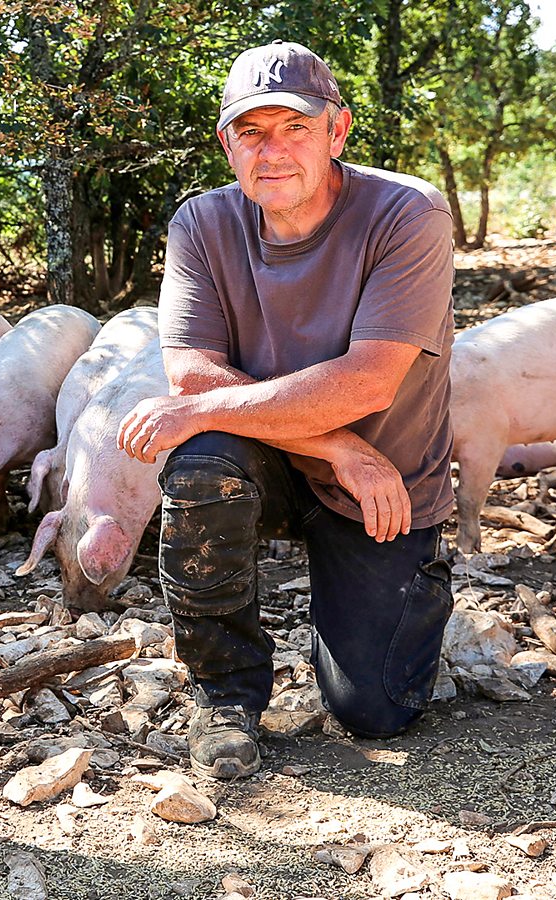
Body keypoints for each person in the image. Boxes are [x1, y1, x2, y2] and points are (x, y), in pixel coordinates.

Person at [116, 41, 456, 778]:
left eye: (294, 128)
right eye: (251, 132)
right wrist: (338, 447)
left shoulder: (407, 214)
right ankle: (226, 696)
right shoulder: (202, 224)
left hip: (385, 481)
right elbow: (191, 373)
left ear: (338, 131)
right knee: (202, 464)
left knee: (376, 712)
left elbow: (369, 382)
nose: (271, 152)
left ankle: (404, 586)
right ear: (226, 144)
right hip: (300, 460)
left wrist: (355, 443)